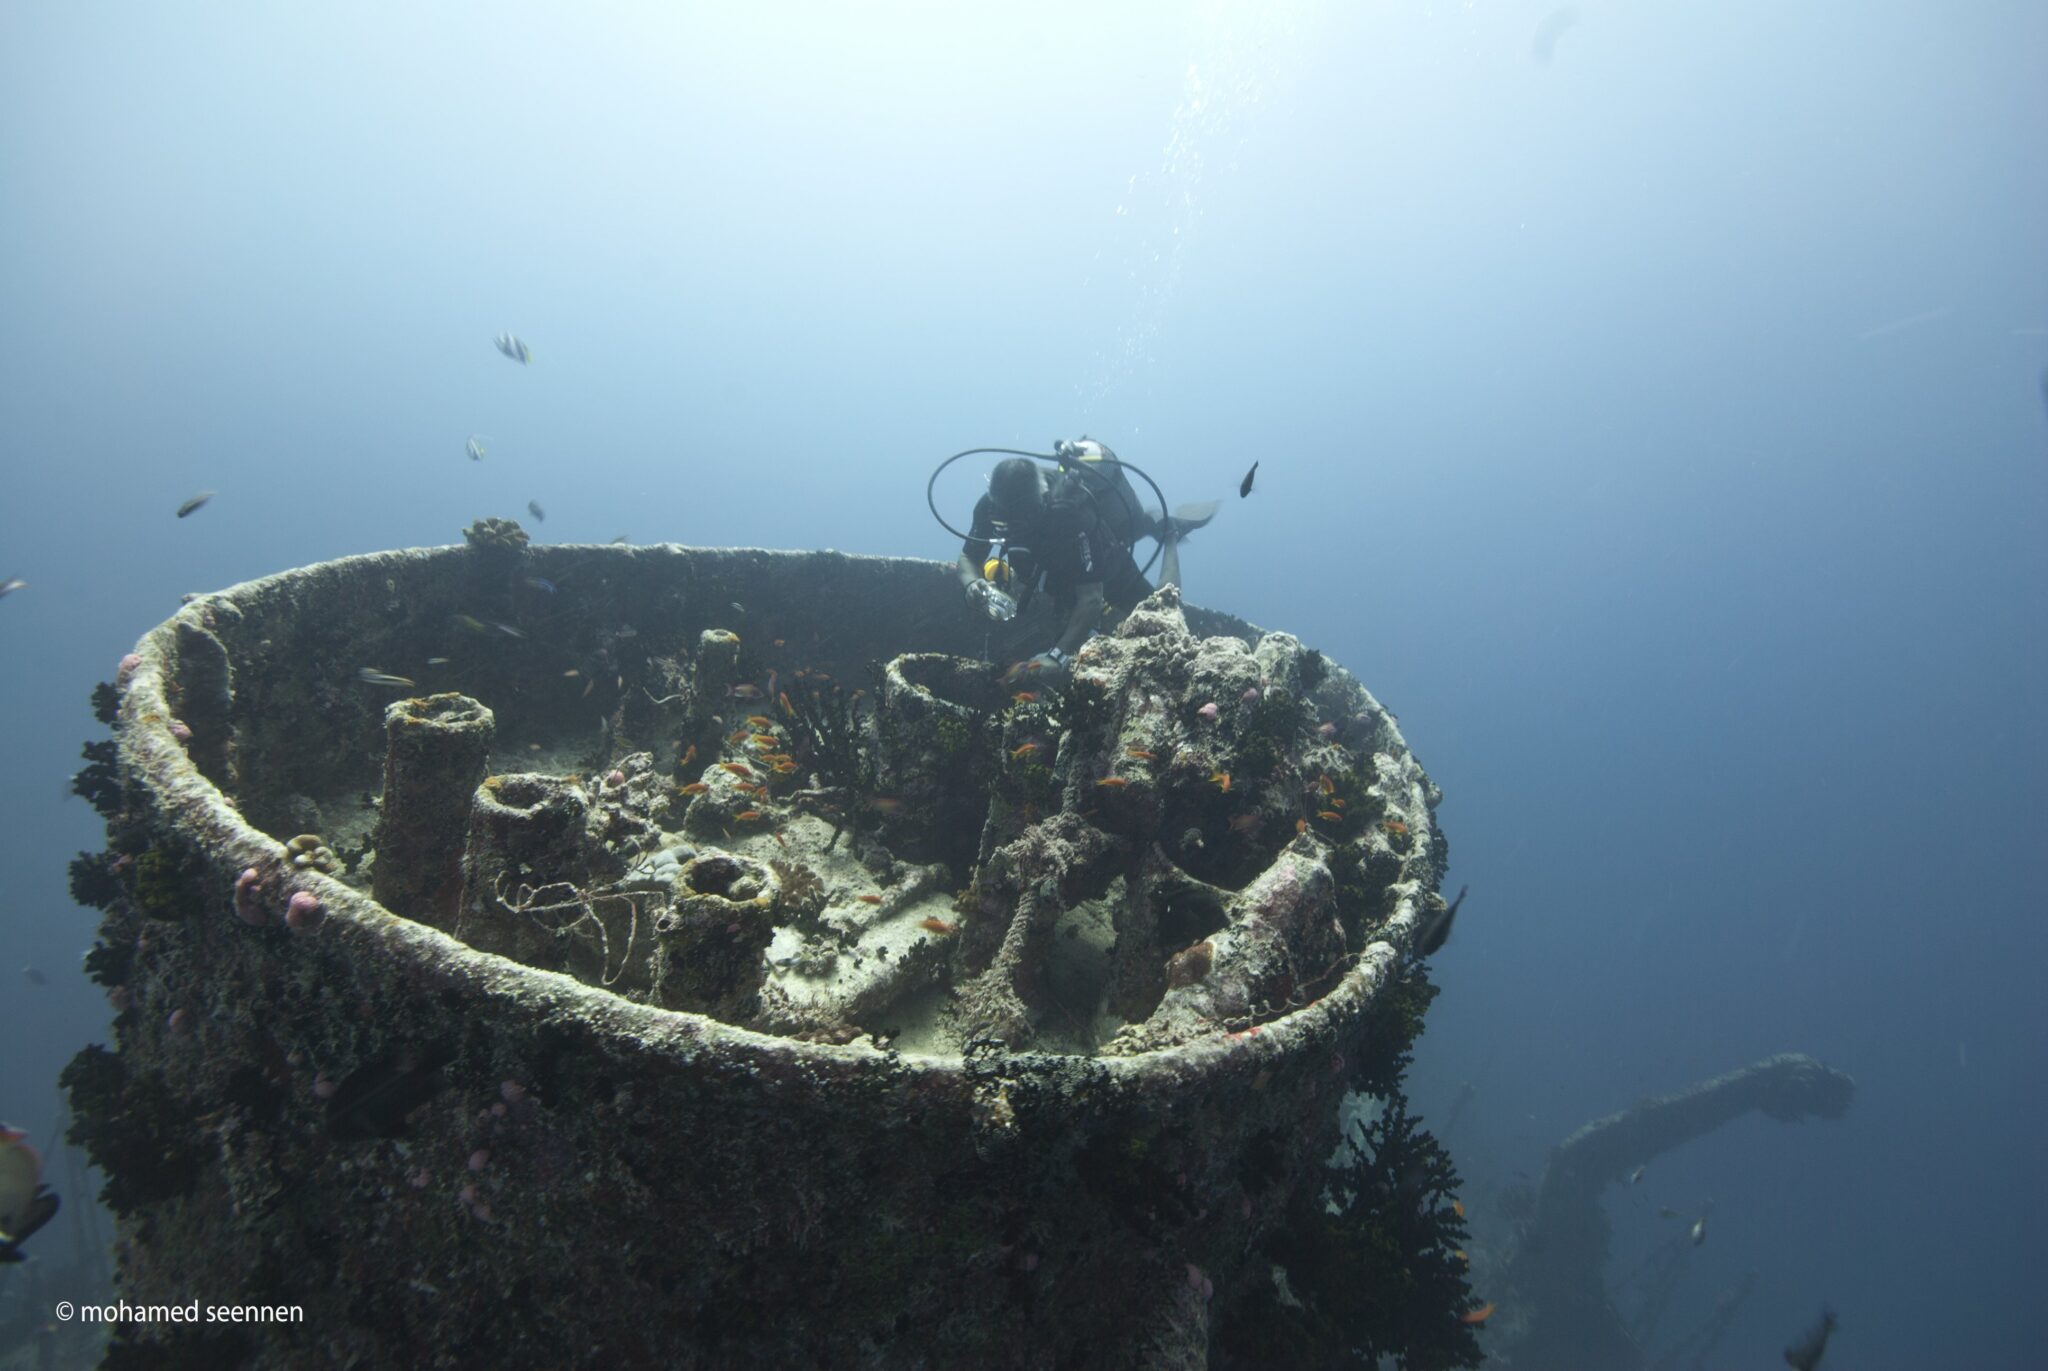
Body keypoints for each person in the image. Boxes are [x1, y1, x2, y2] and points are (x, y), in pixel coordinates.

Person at [956, 441, 1207, 686]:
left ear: (1042, 497)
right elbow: (969, 557)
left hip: (1109, 570)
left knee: (1163, 615)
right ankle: (1147, 525)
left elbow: (1091, 598)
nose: (1018, 524)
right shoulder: (991, 508)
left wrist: (1058, 656)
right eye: (1010, 518)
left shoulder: (1072, 512)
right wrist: (972, 583)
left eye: (1026, 514)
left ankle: (1170, 533)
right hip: (1054, 574)